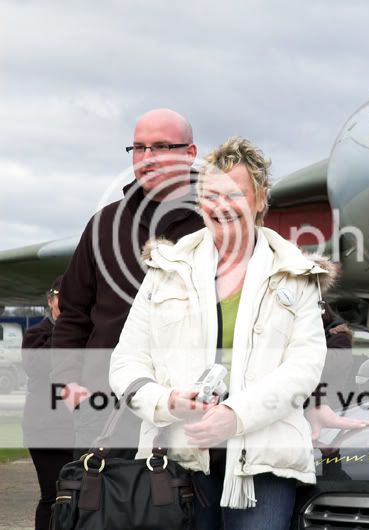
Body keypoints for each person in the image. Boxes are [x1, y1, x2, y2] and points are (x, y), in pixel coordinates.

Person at [109, 137, 330, 529]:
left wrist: (235, 415)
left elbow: (305, 367)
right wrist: (167, 401)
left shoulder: (296, 274)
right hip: (180, 461)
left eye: (235, 194)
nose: (221, 205)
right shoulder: (166, 270)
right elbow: (126, 364)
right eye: (211, 195)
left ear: (260, 200)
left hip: (264, 464)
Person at [51, 109, 205, 454]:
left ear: (190, 153)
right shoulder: (104, 224)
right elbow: (73, 313)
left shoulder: (216, 223)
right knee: (95, 490)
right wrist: (68, 382)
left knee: (181, 491)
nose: (147, 157)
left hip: (189, 405)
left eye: (161, 146)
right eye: (138, 148)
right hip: (104, 404)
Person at [21, 276, 73, 530]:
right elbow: (39, 367)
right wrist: (65, 329)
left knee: (76, 495)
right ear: (51, 301)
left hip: (75, 428)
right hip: (45, 431)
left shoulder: (83, 333)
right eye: (61, 297)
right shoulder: (36, 334)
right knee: (52, 496)